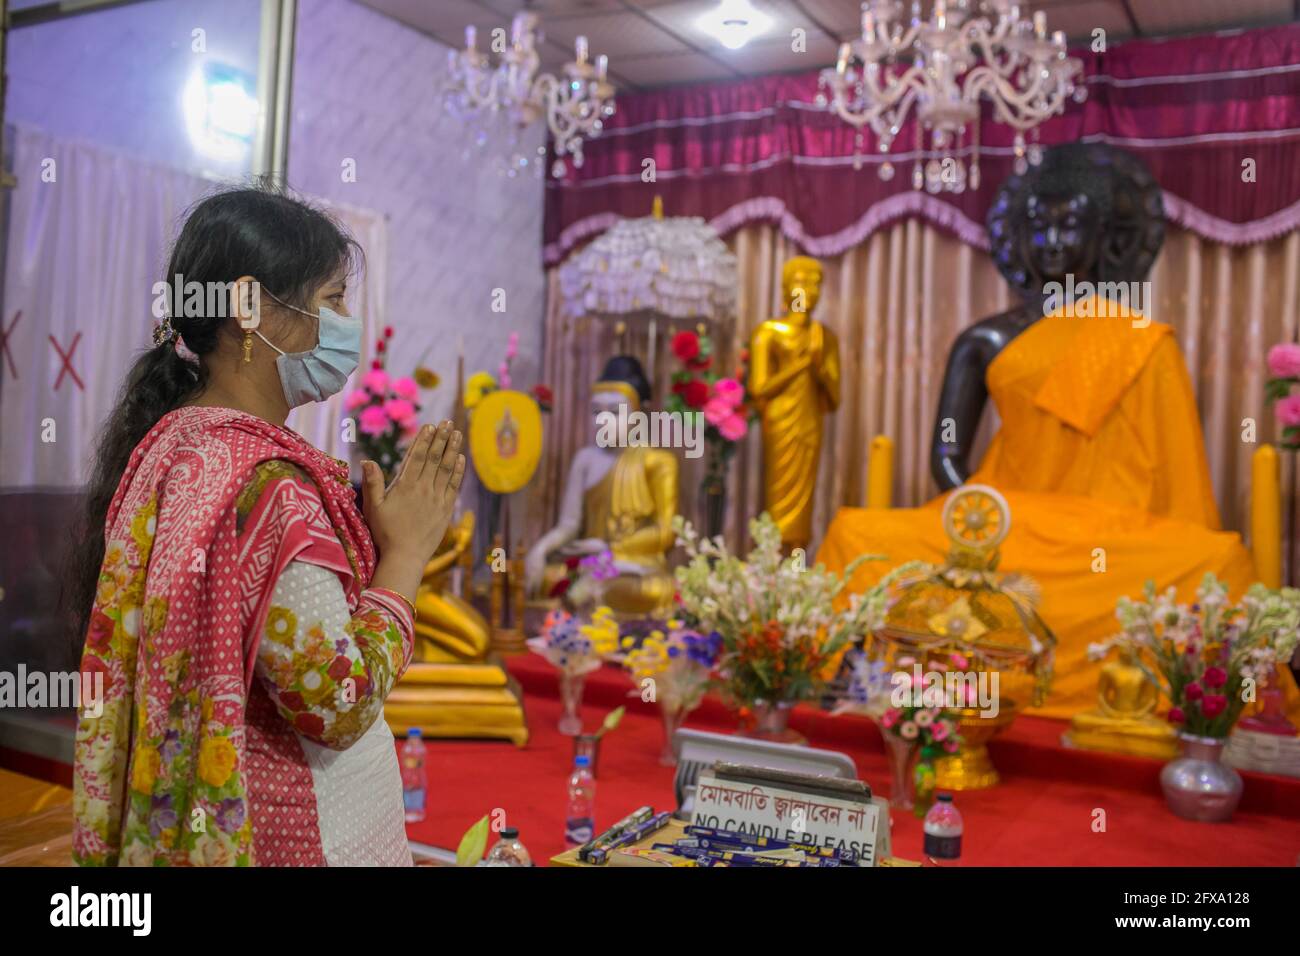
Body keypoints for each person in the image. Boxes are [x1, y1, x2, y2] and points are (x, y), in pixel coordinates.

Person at [67, 188, 465, 866]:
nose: (346, 322)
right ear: (251, 311)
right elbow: (337, 702)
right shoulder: (266, 489)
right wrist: (406, 556)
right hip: (295, 832)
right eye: (334, 298)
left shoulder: (172, 442)